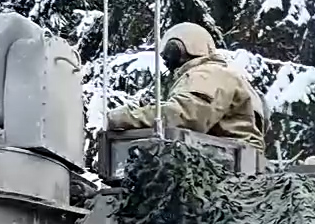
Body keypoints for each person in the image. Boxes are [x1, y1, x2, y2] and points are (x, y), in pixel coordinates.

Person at [106, 23, 268, 149]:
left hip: (224, 164)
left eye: (169, 53)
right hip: (237, 162)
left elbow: (184, 115)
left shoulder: (206, 73)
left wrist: (124, 117)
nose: (167, 60)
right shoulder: (225, 76)